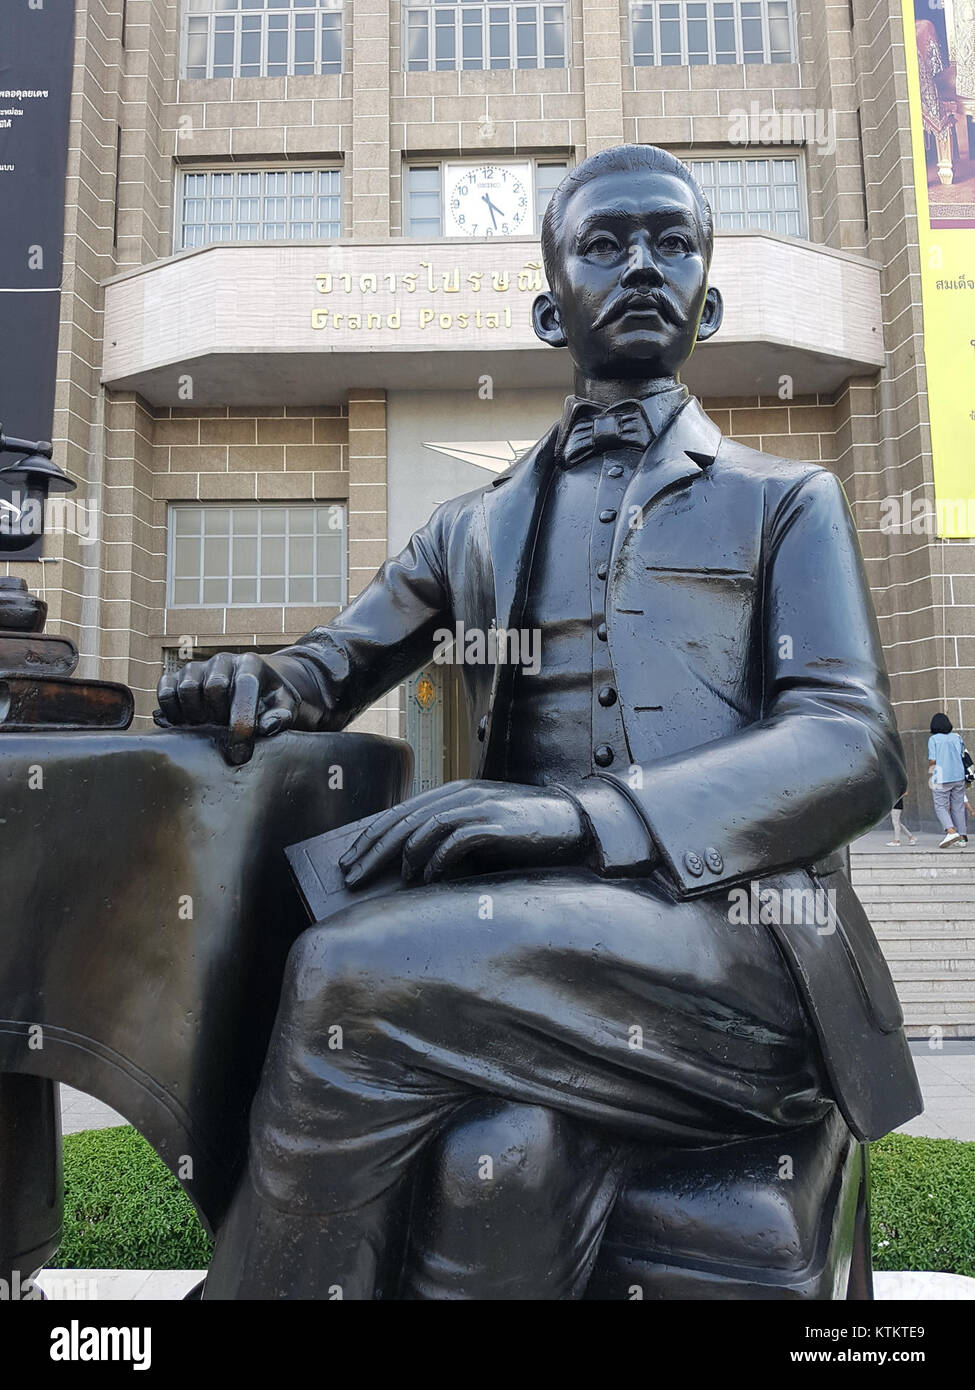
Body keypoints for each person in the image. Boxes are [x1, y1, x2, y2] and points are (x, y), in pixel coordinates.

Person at [156, 145, 921, 1300]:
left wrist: (581, 819)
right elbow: (328, 664)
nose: (643, 266)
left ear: (708, 300)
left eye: (671, 242)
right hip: (522, 962)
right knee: (493, 1163)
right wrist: (253, 682)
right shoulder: (471, 527)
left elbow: (854, 743)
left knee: (347, 972)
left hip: (742, 957)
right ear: (548, 304)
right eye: (605, 245)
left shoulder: (786, 502)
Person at [928, 711, 969, 847]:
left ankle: (951, 831)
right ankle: (962, 838)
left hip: (940, 776)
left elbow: (932, 760)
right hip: (959, 776)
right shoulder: (957, 737)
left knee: (940, 805)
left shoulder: (934, 739)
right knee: (958, 807)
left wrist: (931, 775)